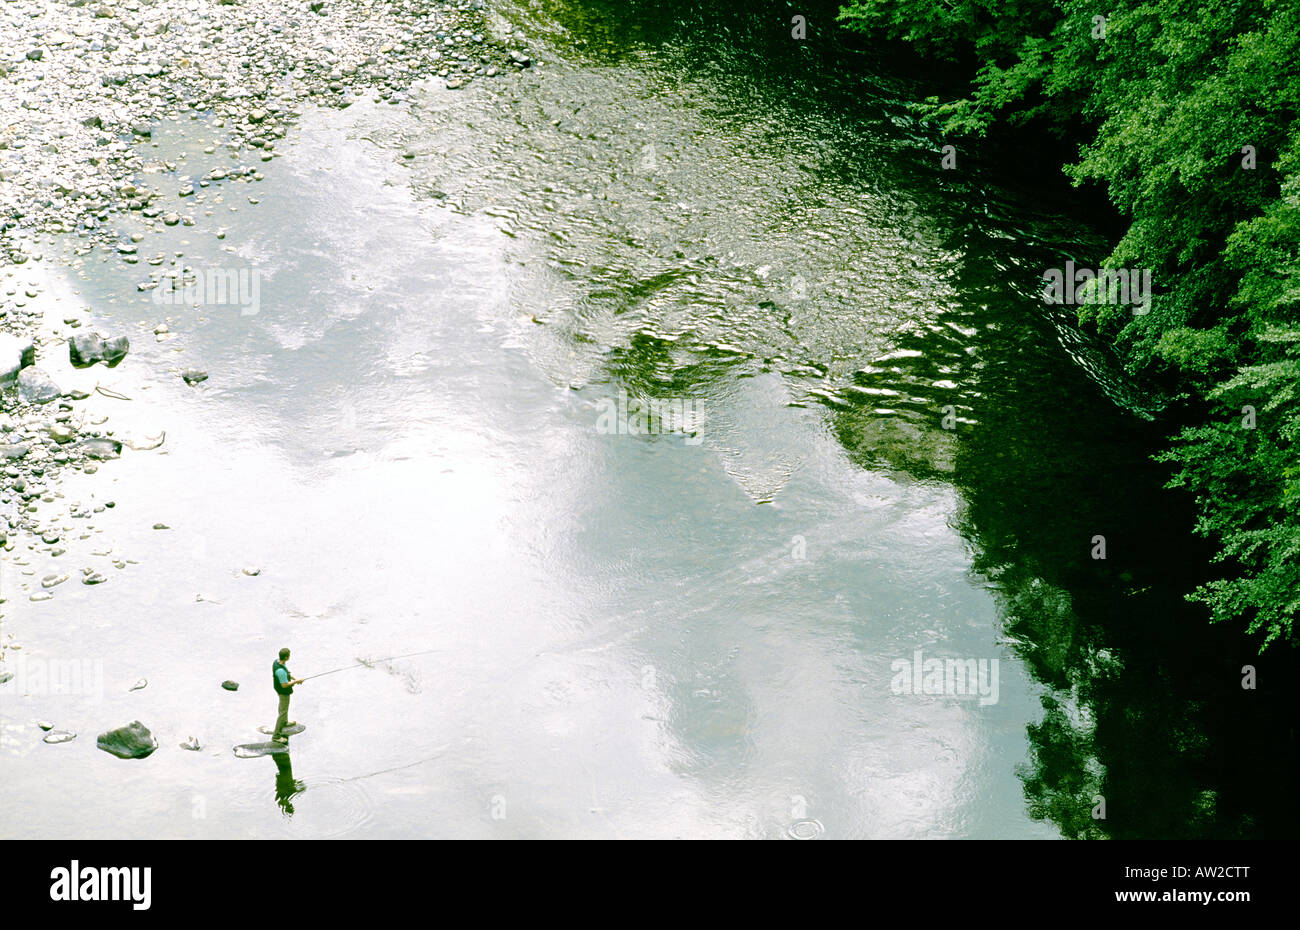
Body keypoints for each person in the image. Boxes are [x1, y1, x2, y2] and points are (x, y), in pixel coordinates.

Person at [272, 647, 304, 744]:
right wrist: (296, 681)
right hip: (283, 691)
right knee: (283, 712)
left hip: (278, 688)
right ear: (286, 657)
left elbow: (287, 673)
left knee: (283, 708)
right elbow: (284, 684)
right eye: (289, 655)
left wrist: (295, 679)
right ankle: (276, 735)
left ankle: (285, 723)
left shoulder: (277, 662)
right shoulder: (280, 671)